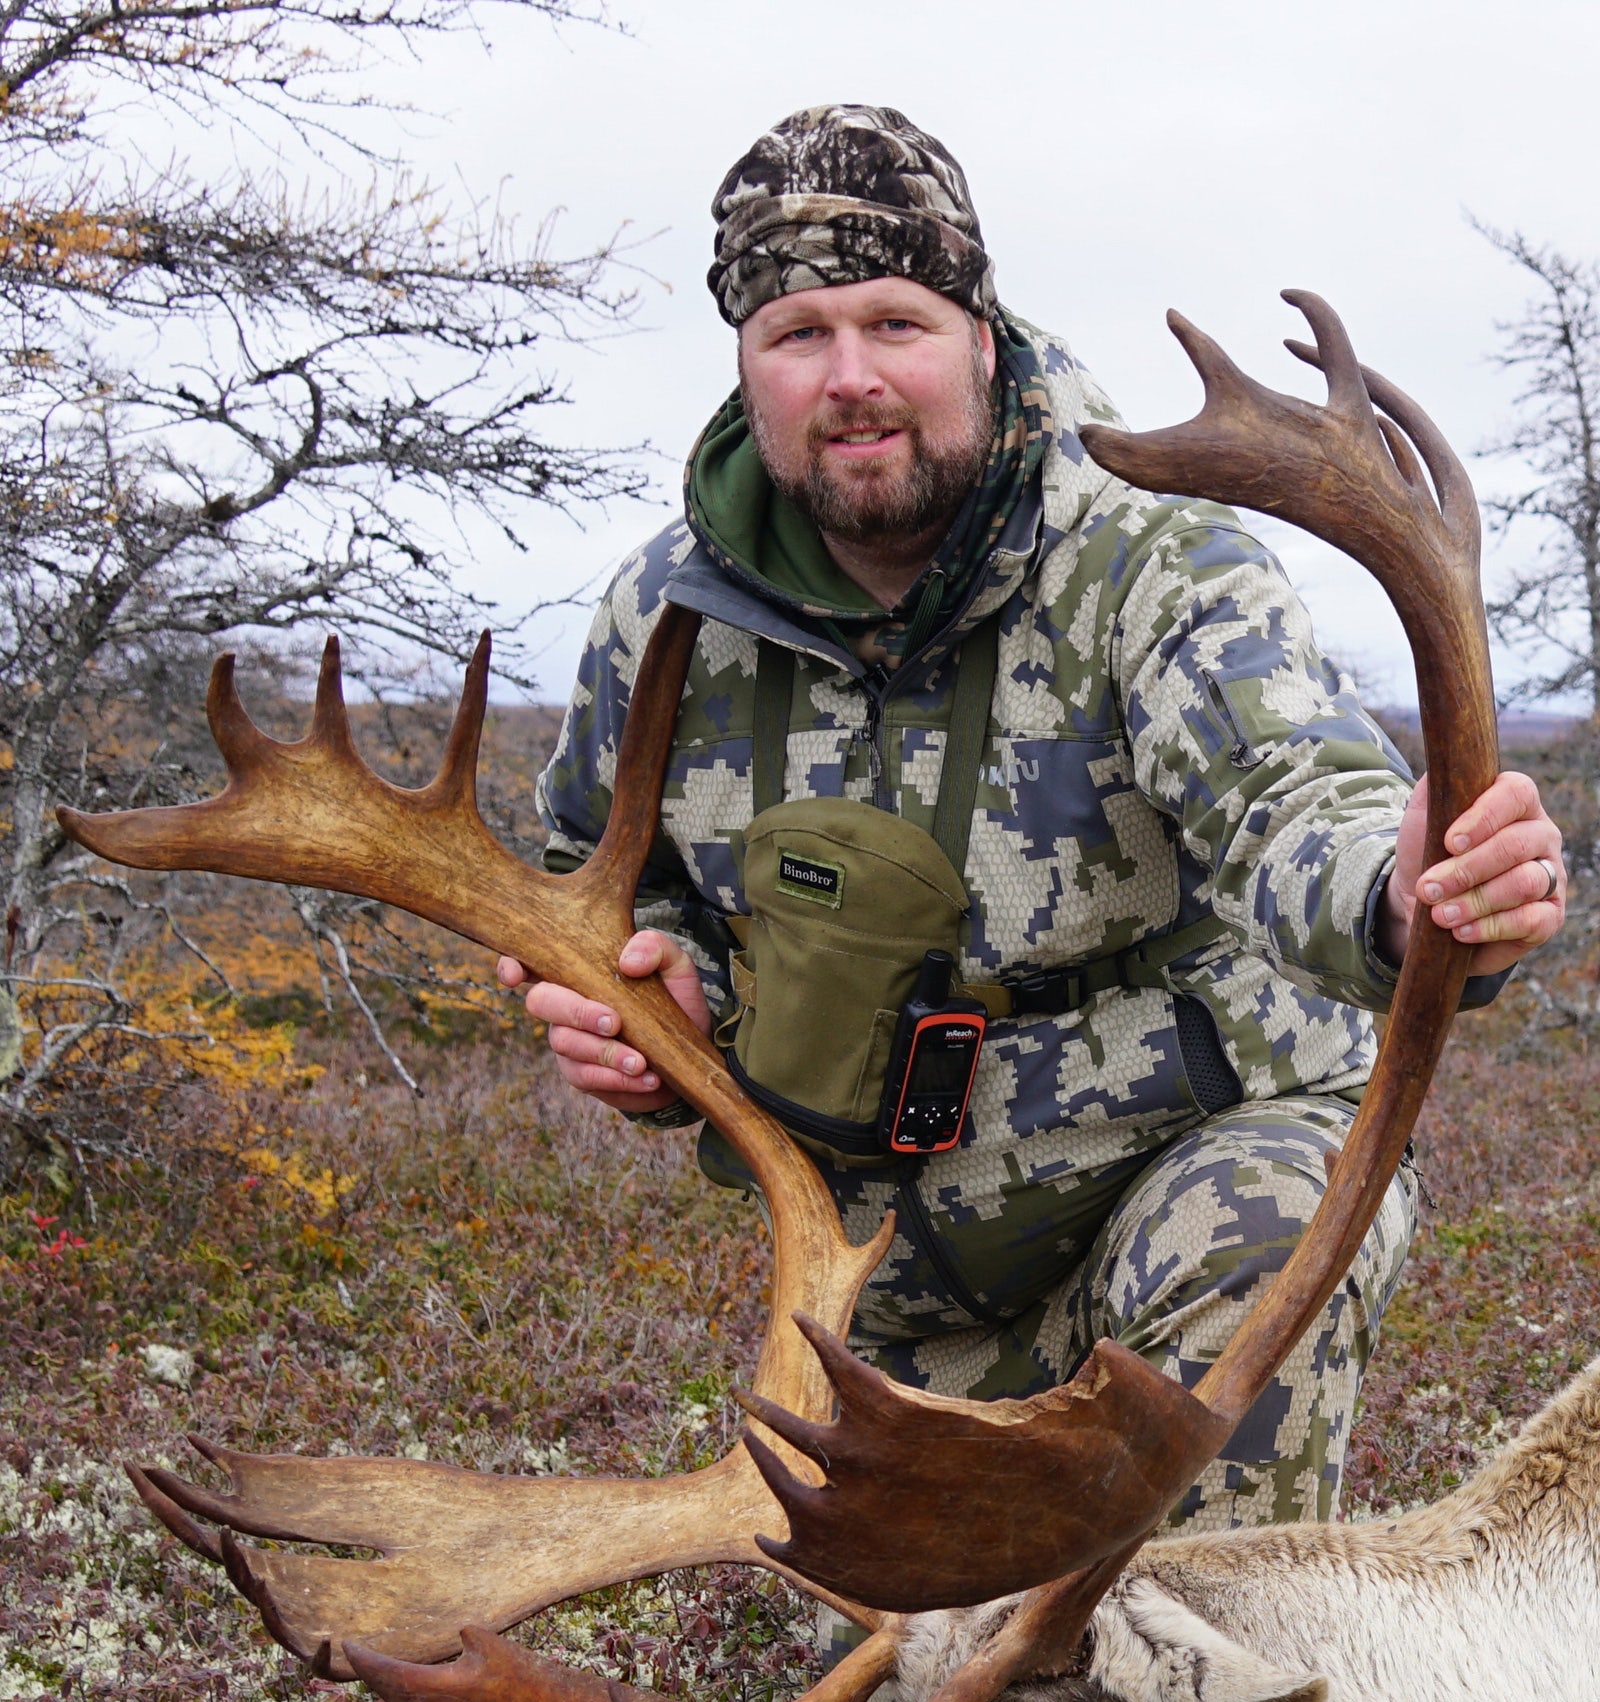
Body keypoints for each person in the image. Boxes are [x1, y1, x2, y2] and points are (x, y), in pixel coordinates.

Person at [502, 102, 1564, 1551]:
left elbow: (1294, 804)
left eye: (898, 320)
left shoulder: (1151, 555)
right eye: (798, 332)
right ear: (745, 364)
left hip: (1187, 1178)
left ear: (984, 337)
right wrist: (642, 1009)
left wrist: (1407, 885)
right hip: (893, 1292)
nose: (853, 377)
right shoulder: (660, 622)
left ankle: (1215, 1643)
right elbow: (594, 888)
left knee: (1171, 1666)